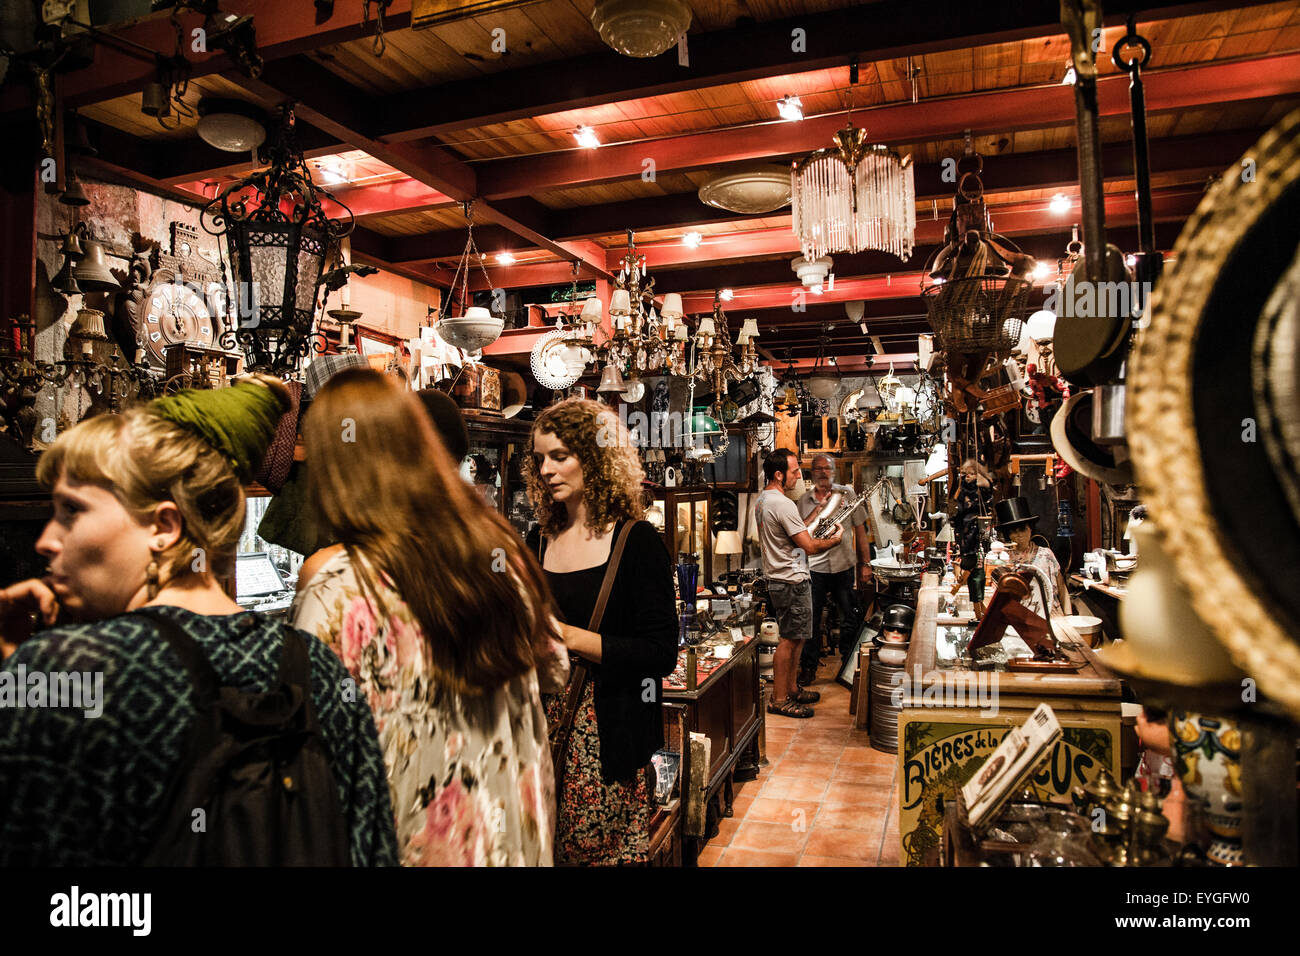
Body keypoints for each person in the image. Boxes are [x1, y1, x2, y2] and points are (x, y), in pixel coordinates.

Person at [0, 377, 398, 866]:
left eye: (70, 511)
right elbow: (373, 851)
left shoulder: (68, 673)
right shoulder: (317, 668)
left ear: (164, 527)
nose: (46, 540)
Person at [292, 369, 565, 867]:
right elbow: (555, 670)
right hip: (514, 842)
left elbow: (311, 760)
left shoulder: (338, 592)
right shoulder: (501, 554)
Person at [522, 398, 678, 865]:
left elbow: (659, 652)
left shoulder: (636, 541)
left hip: (607, 734)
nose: (547, 469)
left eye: (560, 455)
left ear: (595, 456)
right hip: (538, 726)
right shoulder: (537, 538)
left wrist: (565, 636)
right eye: (539, 459)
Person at [755, 448, 842, 718]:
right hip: (791, 580)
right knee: (790, 640)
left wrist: (814, 516)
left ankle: (791, 688)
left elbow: (791, 534)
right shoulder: (783, 503)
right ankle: (779, 699)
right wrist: (834, 541)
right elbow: (808, 546)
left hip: (782, 577)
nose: (799, 476)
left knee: (799, 637)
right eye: (794, 471)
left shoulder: (765, 500)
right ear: (779, 475)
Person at [798, 454, 872, 678]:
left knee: (850, 616)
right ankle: (809, 668)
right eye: (818, 469)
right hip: (815, 569)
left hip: (844, 567)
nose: (822, 472)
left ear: (834, 471)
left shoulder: (848, 495)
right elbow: (800, 535)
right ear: (812, 473)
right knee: (811, 620)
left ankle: (849, 668)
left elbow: (860, 531)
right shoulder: (804, 501)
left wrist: (865, 564)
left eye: (827, 468)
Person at [994, 495, 1073, 618]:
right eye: (1014, 531)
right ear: (1009, 535)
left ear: (1030, 529)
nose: (1019, 535)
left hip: (1051, 615)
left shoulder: (1046, 555)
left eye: (1022, 529)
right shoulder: (1005, 560)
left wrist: (1069, 616)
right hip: (1021, 618)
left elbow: (1062, 589)